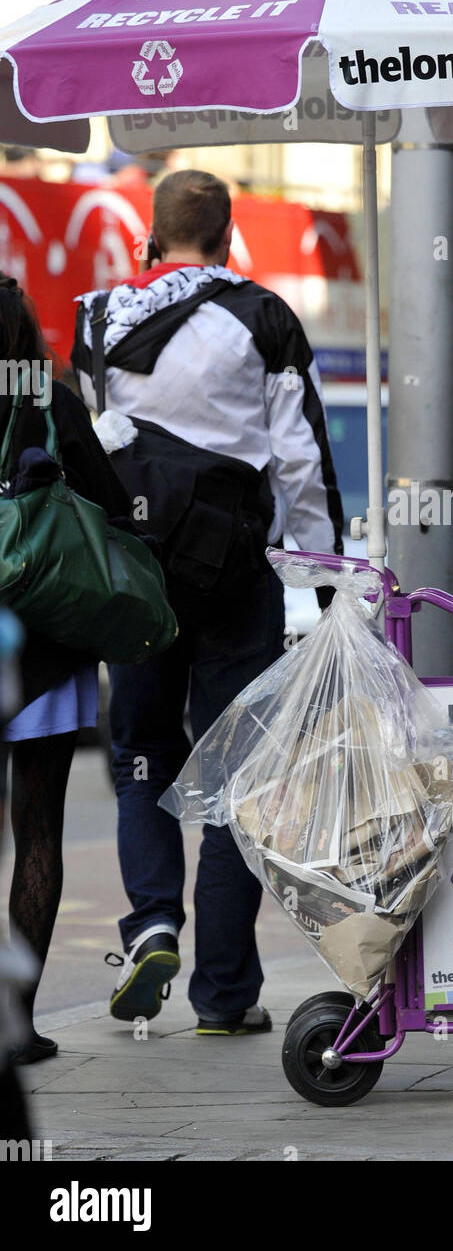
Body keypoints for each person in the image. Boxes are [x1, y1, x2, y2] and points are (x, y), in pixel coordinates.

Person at [73, 170, 343, 1037]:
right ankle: (224, 998)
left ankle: (152, 922)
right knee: (230, 778)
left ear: (149, 237)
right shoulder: (260, 317)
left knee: (142, 758)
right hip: (235, 576)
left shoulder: (93, 318)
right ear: (228, 238)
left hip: (133, 578)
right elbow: (300, 462)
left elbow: (89, 449)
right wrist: (327, 579)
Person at [0, 274, 135, 1064]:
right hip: (46, 647)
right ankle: (15, 1024)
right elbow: (112, 513)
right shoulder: (53, 404)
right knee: (38, 831)